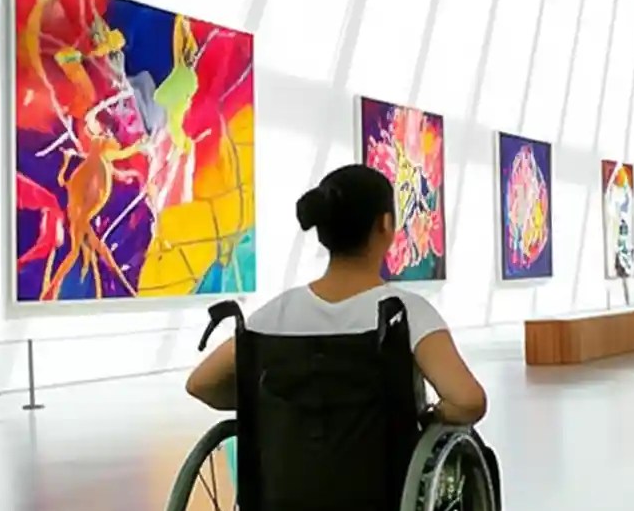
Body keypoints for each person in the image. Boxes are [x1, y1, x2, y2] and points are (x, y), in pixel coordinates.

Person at [186, 164, 487, 426]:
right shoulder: (404, 313)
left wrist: (278, 406)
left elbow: (201, 384)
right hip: (384, 471)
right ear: (385, 224)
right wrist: (429, 416)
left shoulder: (275, 314)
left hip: (286, 471)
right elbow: (468, 401)